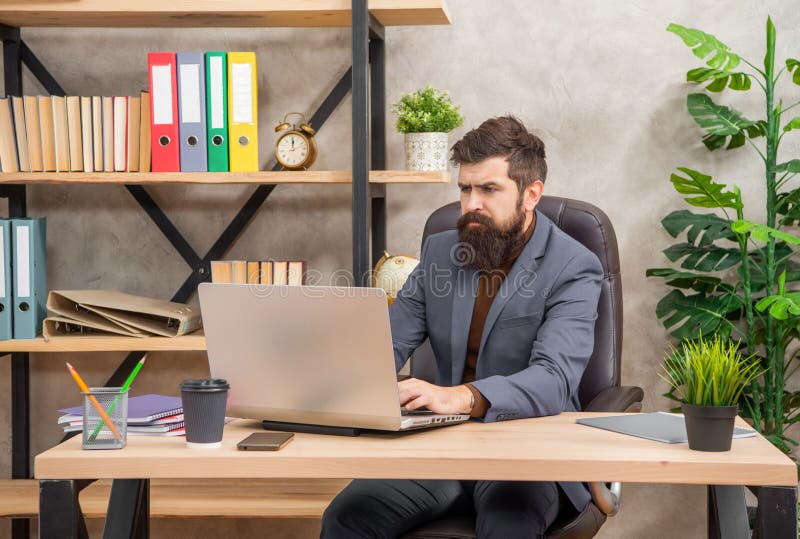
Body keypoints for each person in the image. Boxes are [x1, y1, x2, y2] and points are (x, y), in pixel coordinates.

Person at [321, 115, 604, 538]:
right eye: (465, 188)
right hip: (443, 448)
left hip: (528, 453)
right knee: (347, 515)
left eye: (488, 189)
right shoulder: (441, 251)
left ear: (531, 195)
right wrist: (323, 377)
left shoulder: (574, 266)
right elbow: (389, 344)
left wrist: (459, 397)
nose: (471, 203)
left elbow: (554, 380)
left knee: (507, 526)